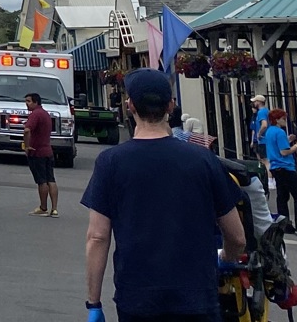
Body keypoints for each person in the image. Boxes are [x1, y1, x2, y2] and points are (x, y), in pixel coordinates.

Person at [83, 68, 248, 322]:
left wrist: (94, 303)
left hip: (137, 298)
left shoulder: (110, 162)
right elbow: (236, 236)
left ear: (130, 105)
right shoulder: (203, 160)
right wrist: (227, 257)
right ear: (170, 106)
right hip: (196, 299)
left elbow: (97, 237)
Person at [261, 109, 297, 237]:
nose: (285, 121)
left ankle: (285, 224)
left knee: (282, 196)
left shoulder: (270, 131)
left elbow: (277, 147)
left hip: (275, 166)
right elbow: (284, 152)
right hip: (285, 167)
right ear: (277, 120)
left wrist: (288, 140)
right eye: (283, 118)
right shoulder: (279, 132)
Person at [24, 91, 58, 217]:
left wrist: (27, 146)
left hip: (37, 152)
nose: (26, 104)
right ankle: (54, 209)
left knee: (41, 181)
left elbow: (27, 130)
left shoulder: (35, 114)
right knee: (51, 179)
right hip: (48, 151)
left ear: (36, 102)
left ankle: (43, 207)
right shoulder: (45, 114)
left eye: (28, 101)